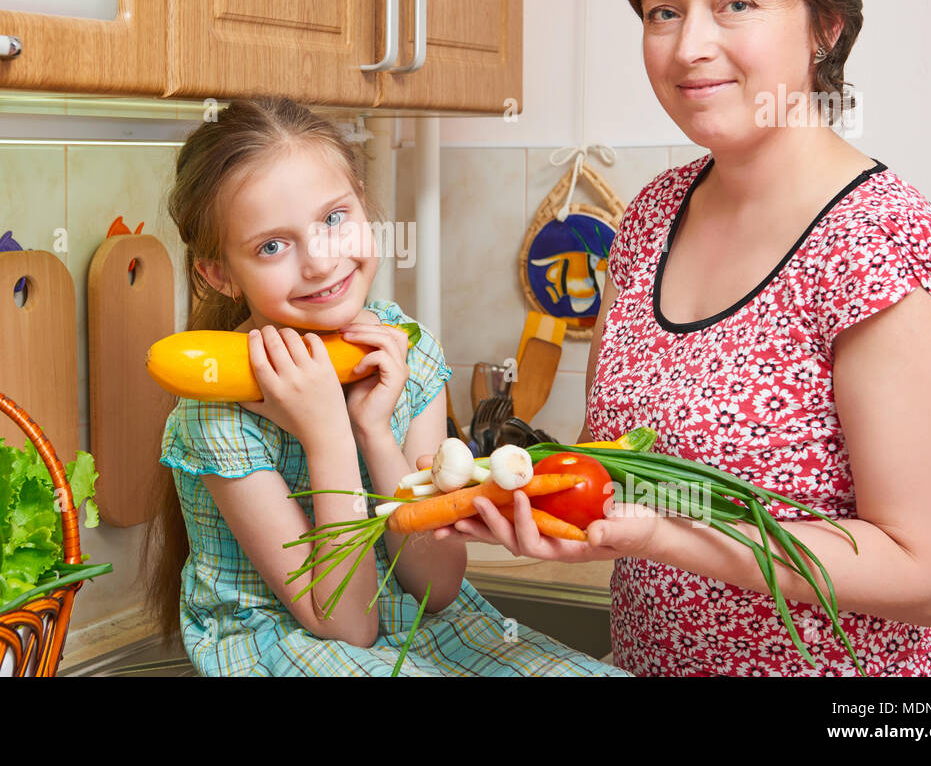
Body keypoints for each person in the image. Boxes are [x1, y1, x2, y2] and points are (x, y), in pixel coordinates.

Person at [438, 0, 931, 676]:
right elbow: (623, 465)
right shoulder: (652, 218)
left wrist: (669, 535)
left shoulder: (881, 240)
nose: (690, 45)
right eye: (664, 10)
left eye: (735, 3)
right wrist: (526, 494)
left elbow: (930, 570)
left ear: (826, 27)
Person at [143, 95, 629, 676]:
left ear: (365, 209)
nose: (321, 262)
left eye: (333, 218)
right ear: (219, 274)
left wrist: (374, 430)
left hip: (422, 624)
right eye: (272, 246)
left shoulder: (409, 353)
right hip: (287, 644)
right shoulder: (216, 416)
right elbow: (348, 624)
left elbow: (438, 586)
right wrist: (327, 434)